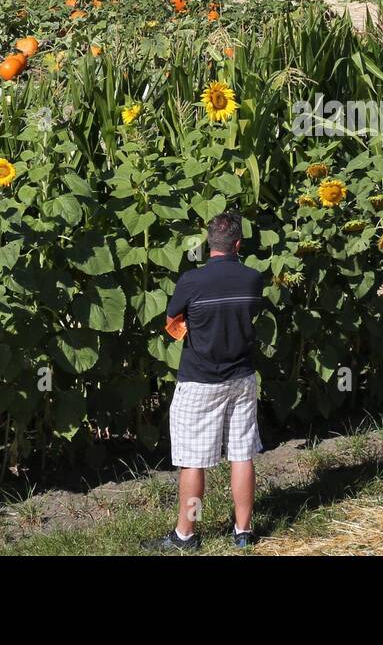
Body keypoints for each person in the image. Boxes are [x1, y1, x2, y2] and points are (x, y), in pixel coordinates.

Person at [142, 212, 268, 552]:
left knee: (193, 461)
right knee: (242, 454)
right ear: (238, 244)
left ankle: (186, 534)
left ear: (207, 243)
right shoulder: (253, 279)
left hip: (200, 380)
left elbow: (172, 320)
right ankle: (243, 532)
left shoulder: (191, 281)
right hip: (242, 377)